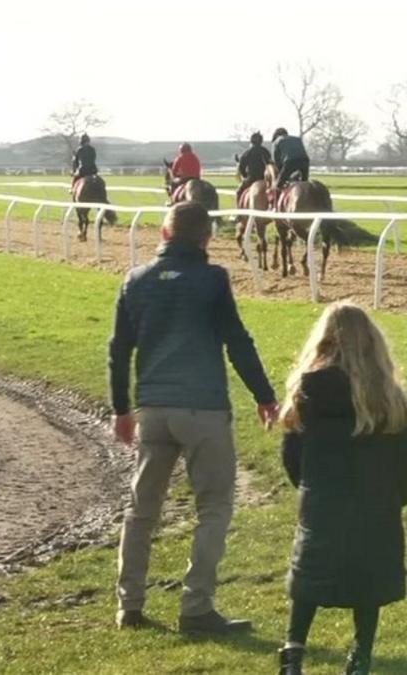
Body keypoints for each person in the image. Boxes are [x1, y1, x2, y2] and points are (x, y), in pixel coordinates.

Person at [108, 201, 279, 634]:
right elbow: (237, 341)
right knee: (215, 507)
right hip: (203, 409)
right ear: (206, 239)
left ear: (163, 235)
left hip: (153, 412)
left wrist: (121, 409)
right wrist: (264, 396)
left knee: (141, 511)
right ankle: (196, 607)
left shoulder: (135, 280)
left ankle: (129, 605)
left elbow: (118, 351)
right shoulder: (213, 279)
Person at [275, 302, 407, 675]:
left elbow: (293, 456)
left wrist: (310, 488)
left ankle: (293, 652)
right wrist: (396, 497)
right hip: (375, 503)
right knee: (368, 579)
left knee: (309, 577)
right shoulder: (391, 400)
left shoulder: (307, 393)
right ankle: (361, 654)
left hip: (323, 501)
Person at [235, 131, 273, 203]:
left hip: (252, 178)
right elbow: (270, 164)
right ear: (261, 141)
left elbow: (241, 167)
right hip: (265, 178)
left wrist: (245, 176)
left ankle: (239, 211)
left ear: (251, 141)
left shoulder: (248, 152)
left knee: (239, 191)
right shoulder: (266, 151)